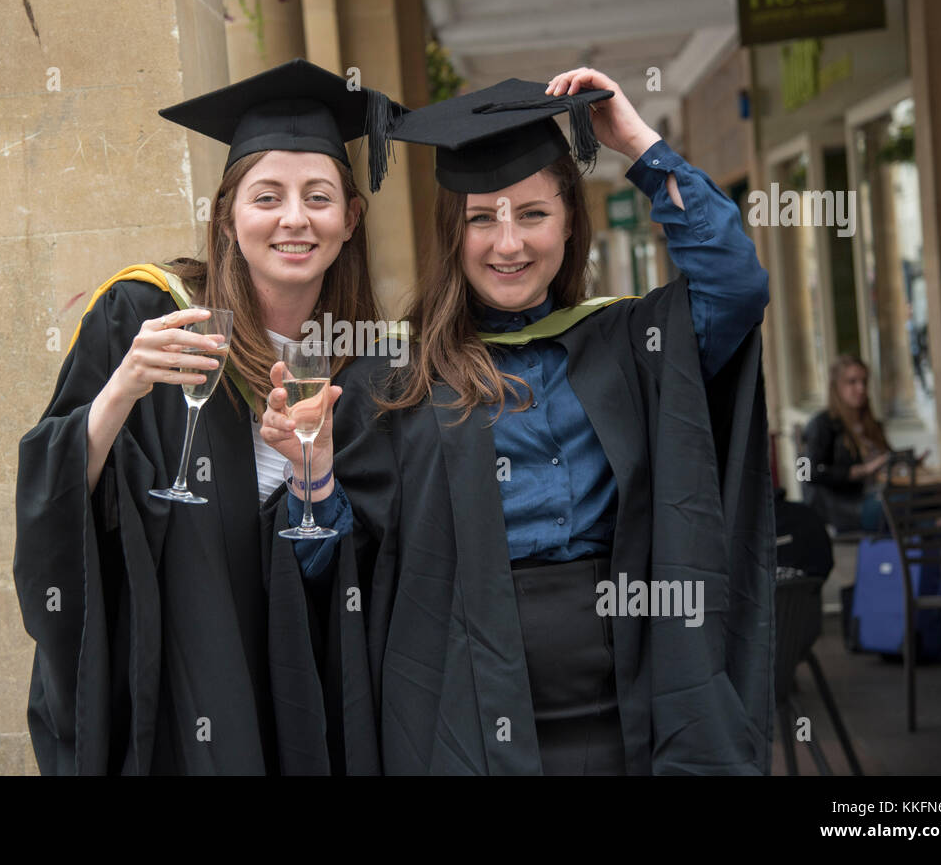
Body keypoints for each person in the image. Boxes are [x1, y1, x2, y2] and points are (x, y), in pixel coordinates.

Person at [261, 68, 776, 774]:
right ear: (454, 232)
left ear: (570, 221)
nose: (508, 244)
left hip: (637, 700)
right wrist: (312, 478)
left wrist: (637, 144)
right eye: (481, 218)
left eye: (532, 213)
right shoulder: (398, 379)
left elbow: (736, 283)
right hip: (466, 712)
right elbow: (333, 571)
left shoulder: (632, 342)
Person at [13, 59, 400, 774]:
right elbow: (52, 486)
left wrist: (316, 484)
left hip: (302, 685)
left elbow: (371, 570)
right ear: (227, 213)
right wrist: (122, 388)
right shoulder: (152, 318)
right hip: (183, 683)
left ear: (349, 219)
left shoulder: (369, 365)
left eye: (319, 197)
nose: (294, 218)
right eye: (267, 196)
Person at [801, 355, 915, 533]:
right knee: (910, 505)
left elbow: (887, 459)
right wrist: (863, 470)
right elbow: (807, 473)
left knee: (936, 497)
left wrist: (907, 462)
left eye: (864, 382)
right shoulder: (822, 424)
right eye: (852, 382)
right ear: (836, 386)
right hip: (848, 506)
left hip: (881, 494)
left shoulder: (871, 424)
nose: (861, 388)